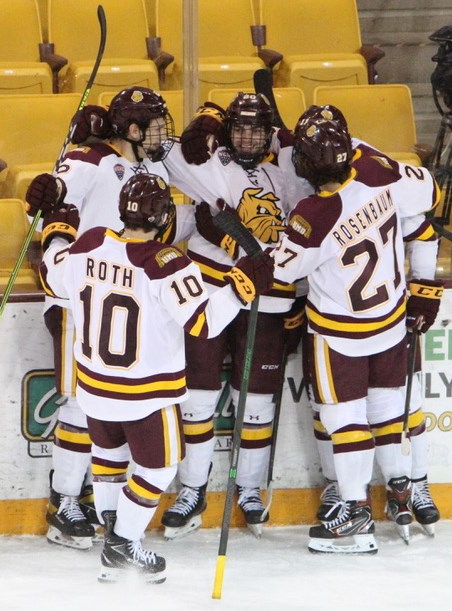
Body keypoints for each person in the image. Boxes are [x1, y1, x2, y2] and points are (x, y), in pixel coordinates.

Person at [33, 172, 274, 582]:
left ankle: (115, 536)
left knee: (109, 461)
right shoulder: (167, 263)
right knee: (159, 470)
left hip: (94, 387)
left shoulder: (89, 243)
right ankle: (123, 545)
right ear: (163, 218)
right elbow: (204, 322)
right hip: (146, 393)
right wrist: (241, 286)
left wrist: (56, 228)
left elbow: (49, 271)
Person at [268, 118, 443, 553]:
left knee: (344, 422)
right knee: (388, 412)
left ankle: (355, 513)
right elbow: (423, 217)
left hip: (338, 333)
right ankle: (402, 486)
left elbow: (283, 270)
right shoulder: (379, 178)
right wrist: (423, 289)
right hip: (388, 322)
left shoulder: (313, 213)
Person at [155, 92, 302, 539]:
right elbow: (165, 150)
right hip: (208, 291)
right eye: (239, 127)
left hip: (268, 297)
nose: (248, 136)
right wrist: (205, 117)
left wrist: (299, 299)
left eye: (258, 129)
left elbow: (307, 229)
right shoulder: (209, 161)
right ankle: (193, 489)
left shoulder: (286, 176)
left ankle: (251, 489)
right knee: (197, 398)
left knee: (255, 402)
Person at [38, 86, 177, 550]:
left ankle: (103, 507)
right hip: (80, 301)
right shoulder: (90, 160)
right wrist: (44, 191)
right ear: (132, 130)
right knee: (80, 406)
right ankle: (64, 504)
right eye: (154, 124)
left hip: (125, 302)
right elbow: (51, 201)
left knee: (102, 413)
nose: (163, 132)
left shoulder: (148, 166)